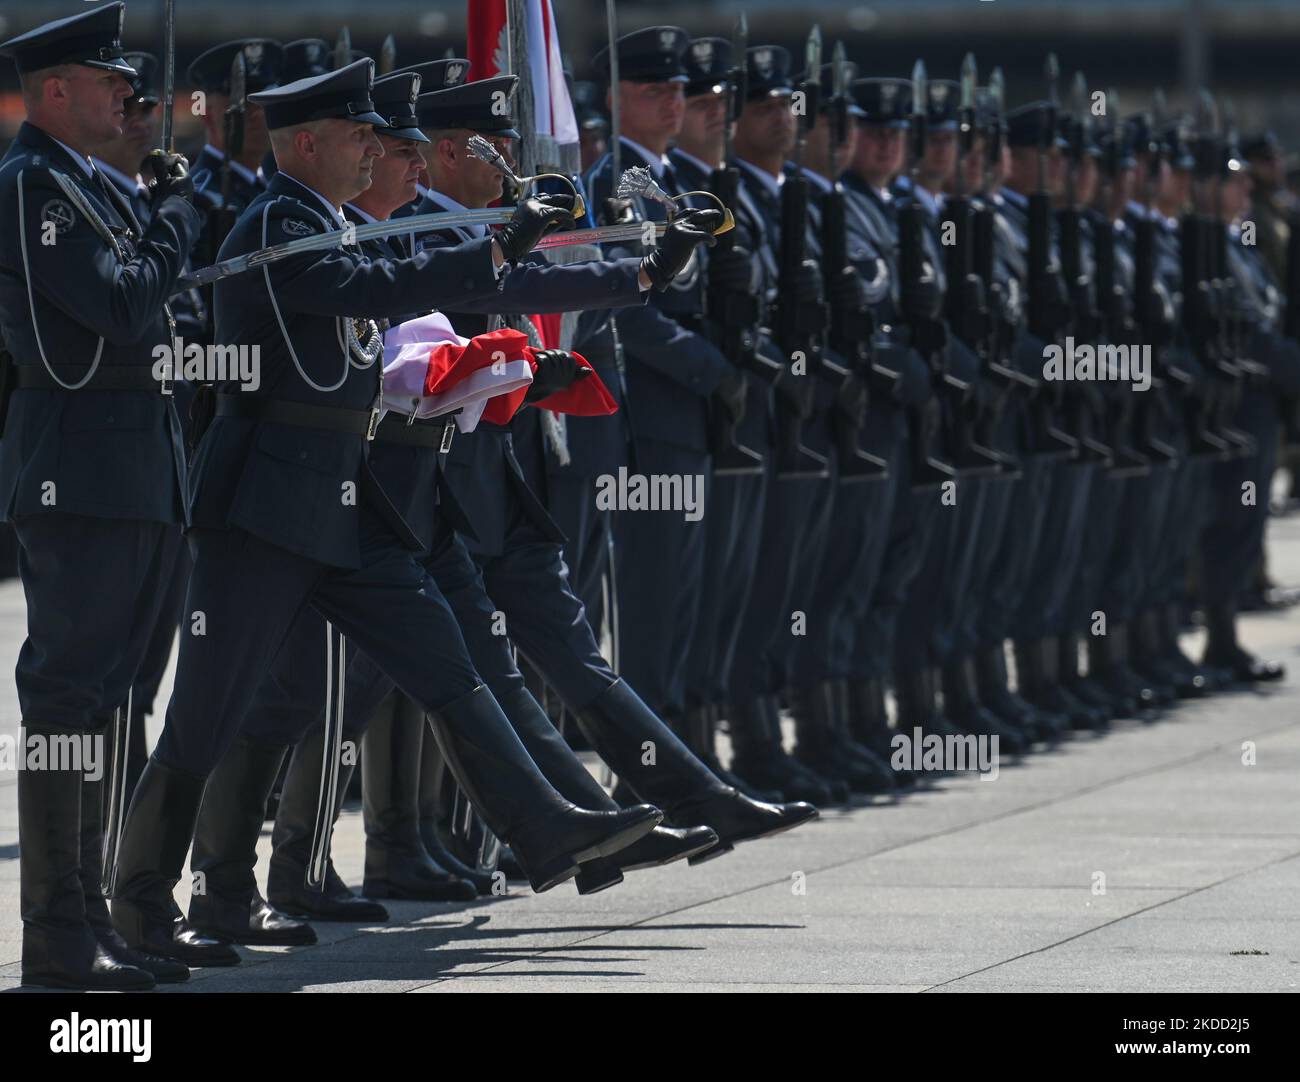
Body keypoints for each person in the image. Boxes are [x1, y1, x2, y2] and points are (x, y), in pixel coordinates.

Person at [107, 56, 664, 972]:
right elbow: (372, 294)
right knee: (210, 709)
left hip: (342, 495)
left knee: (444, 661)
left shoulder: (327, 223)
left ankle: (549, 826)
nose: (375, 150)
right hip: (265, 503)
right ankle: (148, 904)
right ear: (310, 143)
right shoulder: (281, 224)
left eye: (379, 136)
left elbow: (407, 288)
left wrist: (531, 247)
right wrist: (499, 241)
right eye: (361, 136)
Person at [0, 2, 200, 989]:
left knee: (118, 698)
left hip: (140, 466)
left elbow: (176, 310)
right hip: (79, 466)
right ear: (55, 90)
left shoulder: (98, 188)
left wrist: (159, 223)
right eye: (110, 82)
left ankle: (92, 914)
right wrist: (172, 218)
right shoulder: (35, 185)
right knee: (70, 700)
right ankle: (57, 933)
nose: (131, 97)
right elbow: (120, 303)